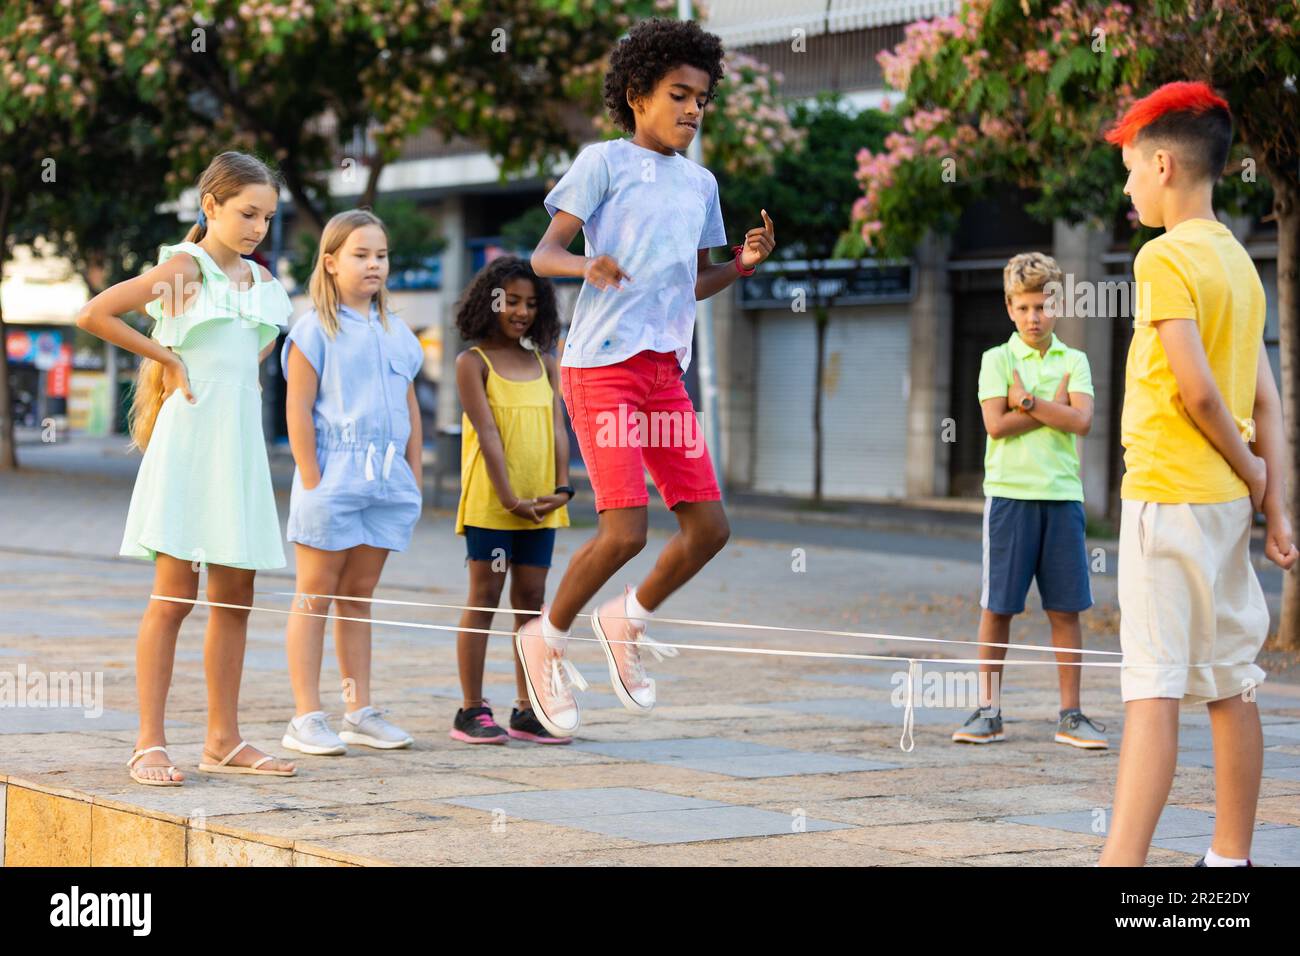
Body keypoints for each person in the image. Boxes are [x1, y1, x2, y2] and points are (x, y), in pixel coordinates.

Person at [523, 17, 776, 738]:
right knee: (625, 531)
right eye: (679, 94)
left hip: (666, 371)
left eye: (702, 98)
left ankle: (624, 620)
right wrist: (586, 265)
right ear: (637, 94)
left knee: (709, 528)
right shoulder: (602, 163)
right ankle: (545, 638)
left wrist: (745, 266)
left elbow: (694, 284)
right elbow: (543, 255)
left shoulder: (701, 184)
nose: (694, 109)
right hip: (601, 369)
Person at [1097, 81, 1298, 866]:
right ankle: (1229, 859)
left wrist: (1252, 471)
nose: (1127, 186)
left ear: (1164, 163)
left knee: (1151, 689)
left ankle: (1121, 867)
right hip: (1222, 512)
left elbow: (1198, 391)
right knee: (1229, 683)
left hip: (1167, 499)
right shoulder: (1241, 267)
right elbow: (1268, 402)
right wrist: (1272, 506)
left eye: (1130, 170)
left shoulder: (1163, 257)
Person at [75, 150, 297, 784]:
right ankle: (148, 742)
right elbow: (94, 313)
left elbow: (243, 365)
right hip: (189, 445)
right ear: (211, 205)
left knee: (237, 598)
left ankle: (223, 739)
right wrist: (170, 362)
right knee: (174, 597)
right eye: (246, 213)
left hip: (239, 450)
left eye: (267, 217)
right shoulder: (185, 268)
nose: (257, 227)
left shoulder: (266, 288)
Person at [279, 209, 424, 756]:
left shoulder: (397, 329)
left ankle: (358, 711)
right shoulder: (314, 329)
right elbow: (298, 407)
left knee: (358, 597)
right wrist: (313, 476)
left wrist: (411, 467)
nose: (374, 265)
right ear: (331, 261)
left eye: (381, 255)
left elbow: (409, 402)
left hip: (386, 479)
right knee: (313, 596)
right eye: (361, 255)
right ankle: (304, 716)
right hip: (334, 473)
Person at [951, 252, 1107, 750]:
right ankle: (988, 711)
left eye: (1042, 305)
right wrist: (1053, 407)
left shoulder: (1076, 360)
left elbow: (1082, 422)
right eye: (1023, 307)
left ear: (1058, 305)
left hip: (1062, 498)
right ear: (1008, 307)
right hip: (1009, 499)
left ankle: (1072, 716)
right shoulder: (995, 359)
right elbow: (994, 425)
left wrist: (1027, 401)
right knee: (998, 607)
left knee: (1066, 609)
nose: (1033, 317)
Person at [450, 256, 572, 744]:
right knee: (483, 599)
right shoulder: (471, 363)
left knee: (532, 604)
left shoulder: (544, 362)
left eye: (530, 303)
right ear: (490, 301)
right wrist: (510, 499)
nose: (521, 311)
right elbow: (489, 436)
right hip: (493, 504)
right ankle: (471, 709)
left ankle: (528, 708)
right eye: (511, 301)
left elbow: (559, 429)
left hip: (542, 504)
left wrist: (562, 488)